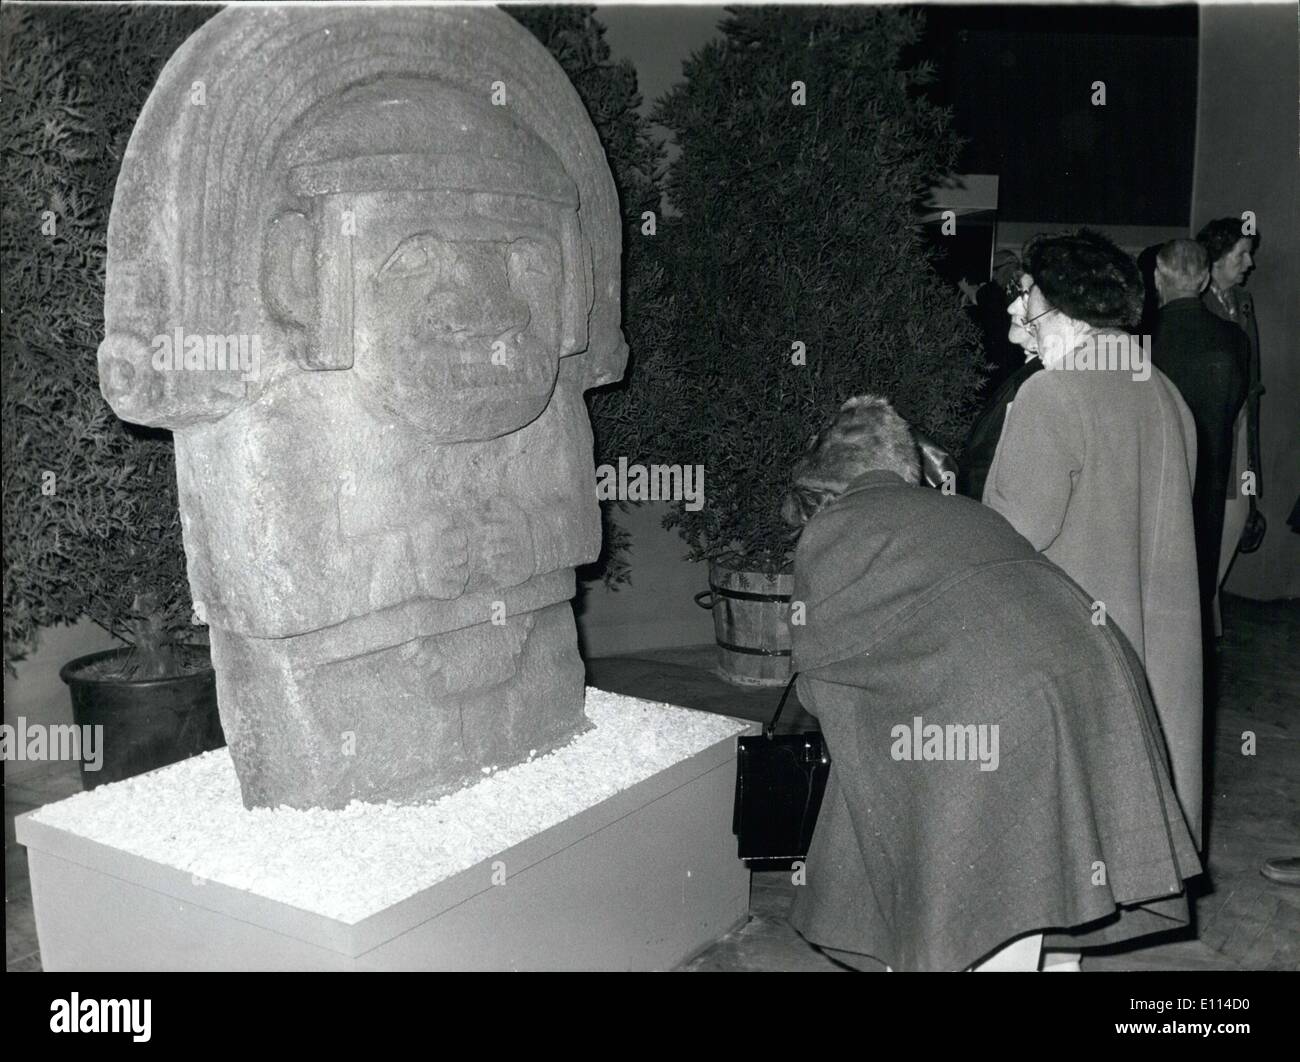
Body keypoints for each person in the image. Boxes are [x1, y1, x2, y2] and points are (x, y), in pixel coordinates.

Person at [781, 395, 1201, 972]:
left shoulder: (835, 527)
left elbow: (817, 679)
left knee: (990, 907)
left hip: (1003, 705)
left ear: (824, 488)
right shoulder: (965, 511)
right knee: (1052, 888)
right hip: (1101, 677)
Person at [983, 229, 1204, 850]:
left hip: (1066, 649)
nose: (1013, 308)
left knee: (1051, 847)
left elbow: (1009, 538)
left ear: (1062, 307)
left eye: (1024, 293)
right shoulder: (1163, 392)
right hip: (1151, 650)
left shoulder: (1052, 395)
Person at [1151, 239, 1248, 653]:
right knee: (1196, 589)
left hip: (1154, 480)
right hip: (1210, 478)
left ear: (1158, 279)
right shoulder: (1232, 338)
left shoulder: (1142, 338)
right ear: (1206, 279)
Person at [1196, 218, 1266, 629]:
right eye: (1241, 254)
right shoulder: (1197, 302)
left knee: (1237, 517)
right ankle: (1204, 617)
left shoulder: (1242, 301)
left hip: (1240, 428)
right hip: (1214, 431)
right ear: (1217, 257)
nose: (1249, 262)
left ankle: (1207, 609)